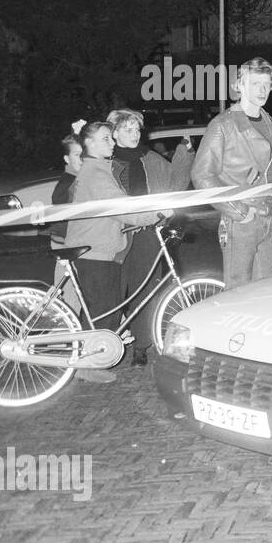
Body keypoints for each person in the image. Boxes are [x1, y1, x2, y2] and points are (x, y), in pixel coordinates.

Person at [64, 121, 170, 380]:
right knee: (104, 310)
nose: (112, 143)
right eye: (105, 139)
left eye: (112, 138)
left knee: (100, 308)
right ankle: (88, 367)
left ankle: (87, 361)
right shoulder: (96, 173)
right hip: (95, 250)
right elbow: (122, 208)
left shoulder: (99, 169)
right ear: (88, 143)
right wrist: (155, 214)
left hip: (98, 247)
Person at [107, 107, 193, 365]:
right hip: (113, 233)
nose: (134, 134)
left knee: (145, 287)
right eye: (127, 129)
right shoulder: (105, 160)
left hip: (146, 232)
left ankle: (142, 345)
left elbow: (175, 184)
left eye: (136, 129)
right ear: (114, 132)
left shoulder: (150, 158)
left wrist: (184, 154)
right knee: (111, 289)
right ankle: (105, 345)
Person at [192, 57, 272, 287]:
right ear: (240, 85)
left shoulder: (267, 121)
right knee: (238, 293)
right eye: (255, 84)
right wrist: (239, 211)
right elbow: (202, 175)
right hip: (241, 220)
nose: (262, 90)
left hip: (268, 217)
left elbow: (271, 165)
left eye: (266, 84)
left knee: (264, 291)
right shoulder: (224, 124)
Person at [50, 127, 85, 310]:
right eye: (77, 155)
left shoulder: (82, 178)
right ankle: (59, 337)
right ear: (67, 159)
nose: (82, 159)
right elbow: (60, 202)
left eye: (84, 154)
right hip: (67, 244)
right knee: (68, 301)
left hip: (77, 242)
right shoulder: (68, 182)